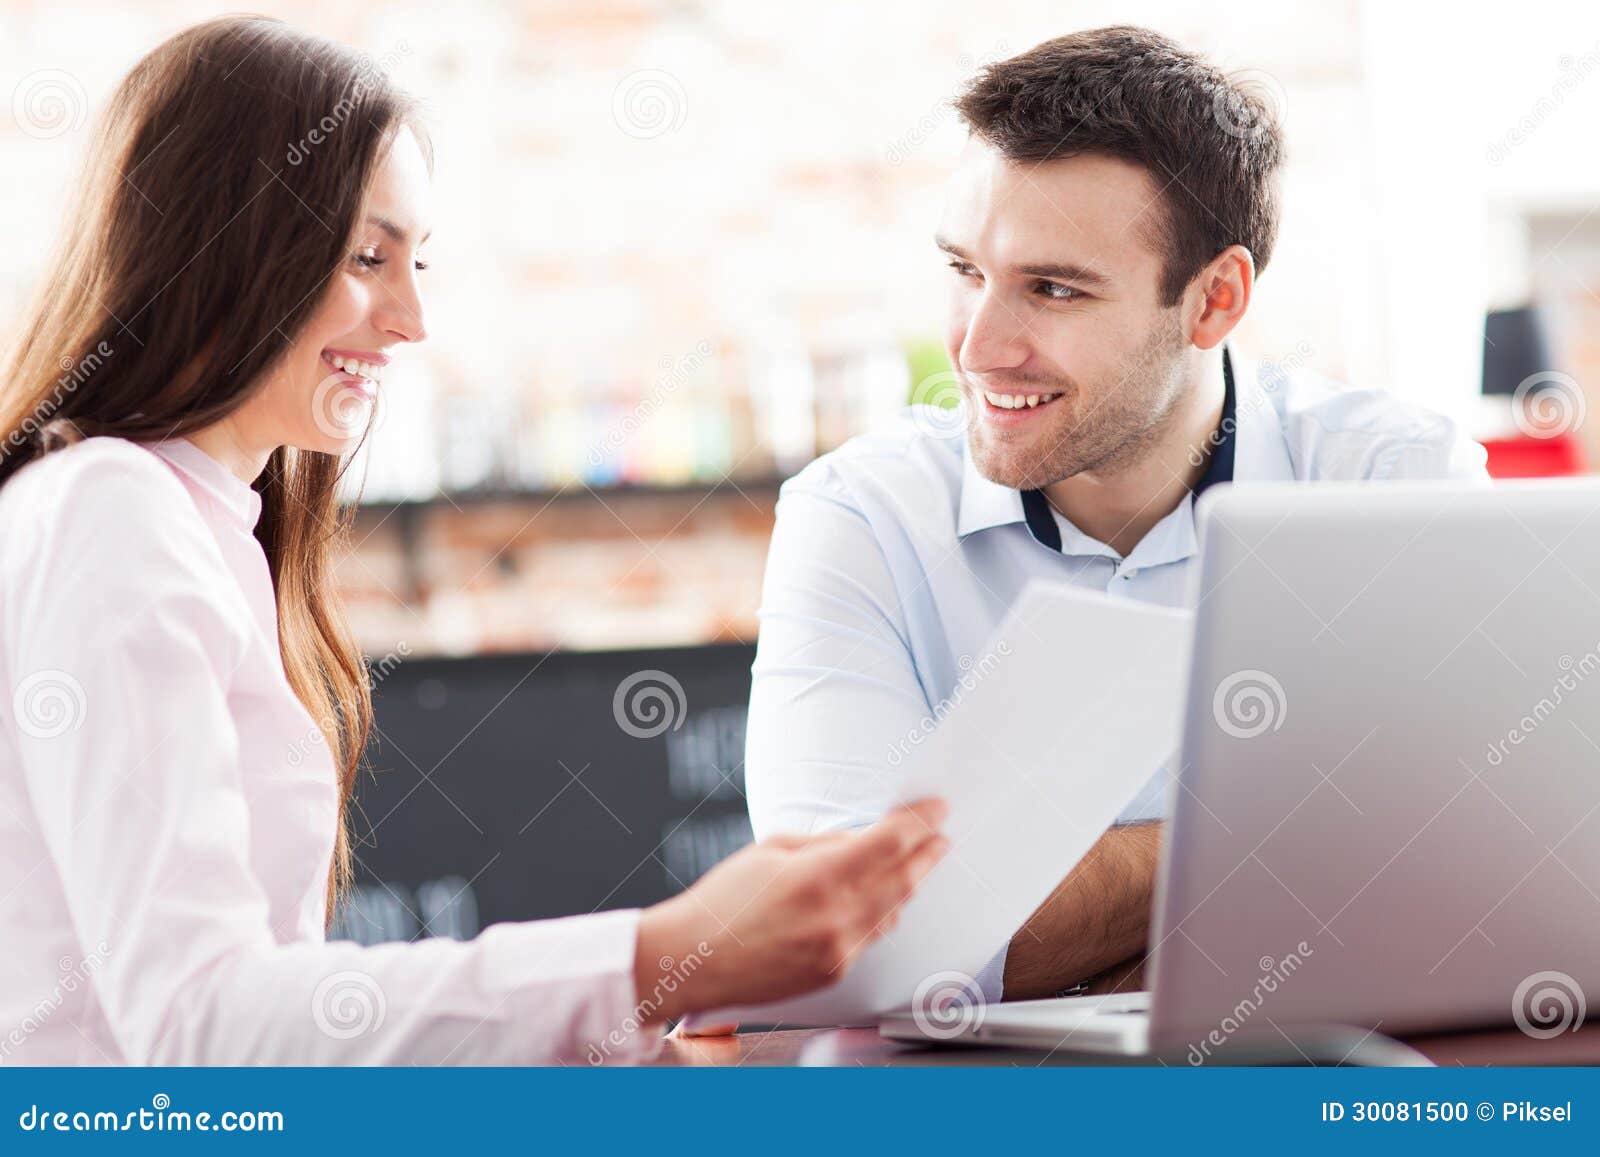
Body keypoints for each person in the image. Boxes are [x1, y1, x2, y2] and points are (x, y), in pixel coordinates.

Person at [0, 16, 949, 1066]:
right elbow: (199, 1026)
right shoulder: (109, 511)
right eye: (369, 257)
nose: (410, 319)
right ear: (220, 244)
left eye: (416, 262)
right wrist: (665, 953)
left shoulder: (197, 519)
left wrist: (622, 1042)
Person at [743, 26, 1487, 1008]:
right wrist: (1290, 842)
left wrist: (1018, 917)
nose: (978, 347)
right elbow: (841, 943)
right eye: (965, 271)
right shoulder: (861, 520)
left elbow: (1490, 867)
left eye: (1053, 288)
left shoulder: (1396, 482)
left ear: (1213, 300)